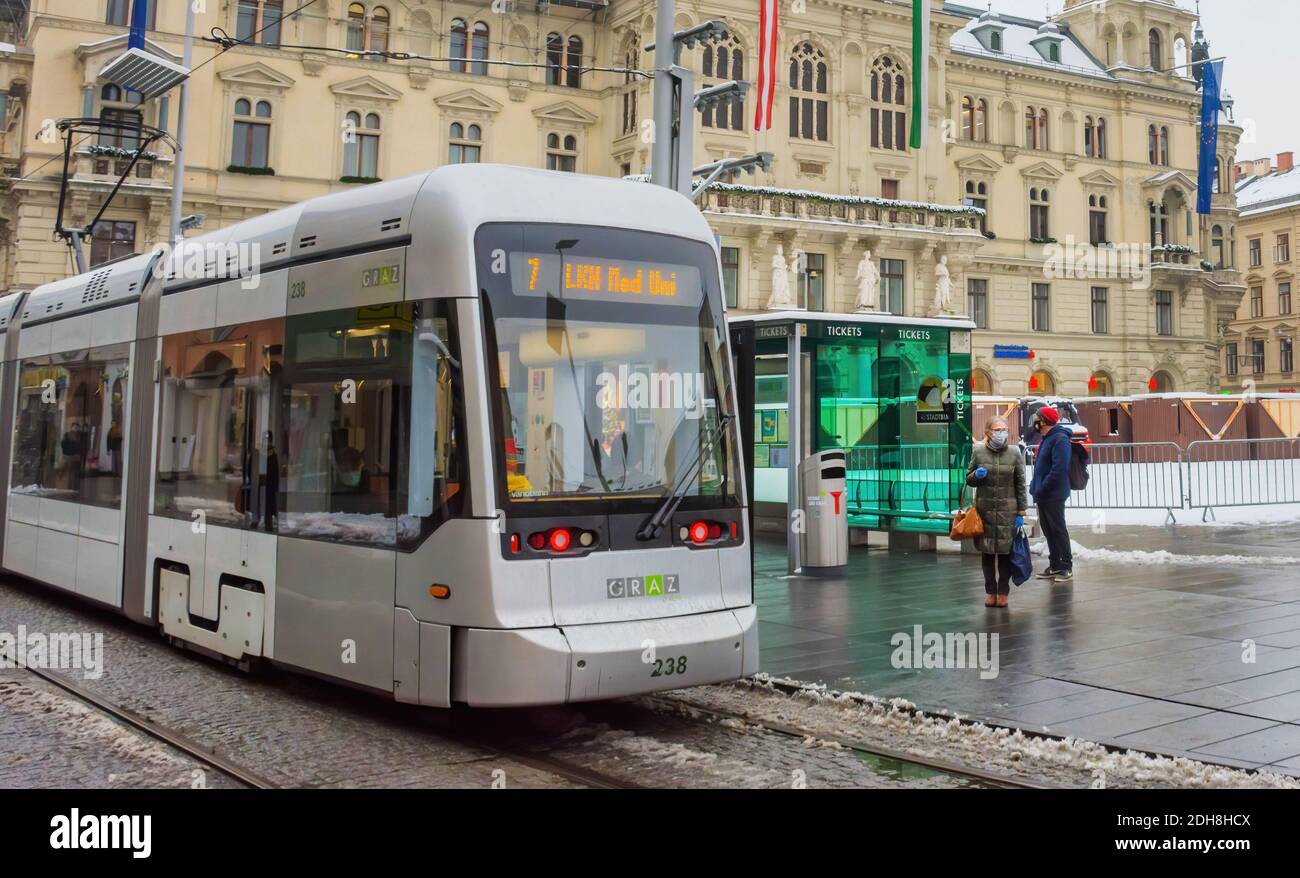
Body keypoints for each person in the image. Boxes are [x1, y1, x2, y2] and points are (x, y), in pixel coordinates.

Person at [967, 416, 1027, 608]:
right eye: (997, 429)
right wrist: (976, 475)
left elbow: (1020, 483)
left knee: (1004, 555)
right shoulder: (978, 451)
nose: (1001, 433)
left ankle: (1003, 592)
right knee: (986, 554)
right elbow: (968, 479)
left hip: (1007, 512)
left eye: (1004, 429)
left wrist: (1021, 512)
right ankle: (990, 591)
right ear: (988, 432)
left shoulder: (1014, 452)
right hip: (984, 511)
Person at [1029, 405, 1074, 582]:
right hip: (1043, 493)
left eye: (1037, 418)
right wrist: (1035, 485)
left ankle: (1066, 566)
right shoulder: (1047, 438)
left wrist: (1043, 486)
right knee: (1049, 530)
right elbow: (1042, 467)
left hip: (1053, 494)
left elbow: (1059, 469)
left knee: (1058, 529)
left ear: (1044, 421)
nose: (1035, 422)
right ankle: (1055, 565)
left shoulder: (1060, 439)